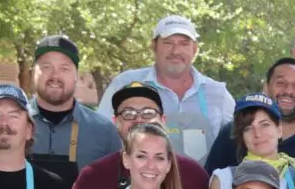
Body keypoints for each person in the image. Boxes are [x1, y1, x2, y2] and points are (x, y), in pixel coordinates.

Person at [100, 16, 234, 166]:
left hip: (202, 187)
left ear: (194, 49)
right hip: (139, 184)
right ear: (154, 46)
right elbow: (100, 134)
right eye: (168, 43)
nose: (176, 51)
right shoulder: (124, 83)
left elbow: (240, 139)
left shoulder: (218, 93)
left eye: (184, 44)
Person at [72, 82, 212, 189]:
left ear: (163, 120)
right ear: (116, 122)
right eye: (128, 114)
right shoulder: (93, 177)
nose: (138, 119)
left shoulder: (194, 175)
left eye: (148, 113)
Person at [26, 35, 118, 182]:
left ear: (76, 75)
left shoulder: (104, 131)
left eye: (64, 68)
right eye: (46, 67)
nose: (55, 75)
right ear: (33, 73)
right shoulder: (10, 124)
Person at [207, 94, 295, 189]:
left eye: (264, 125)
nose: (258, 134)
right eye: (248, 128)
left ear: (279, 129)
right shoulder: (224, 179)